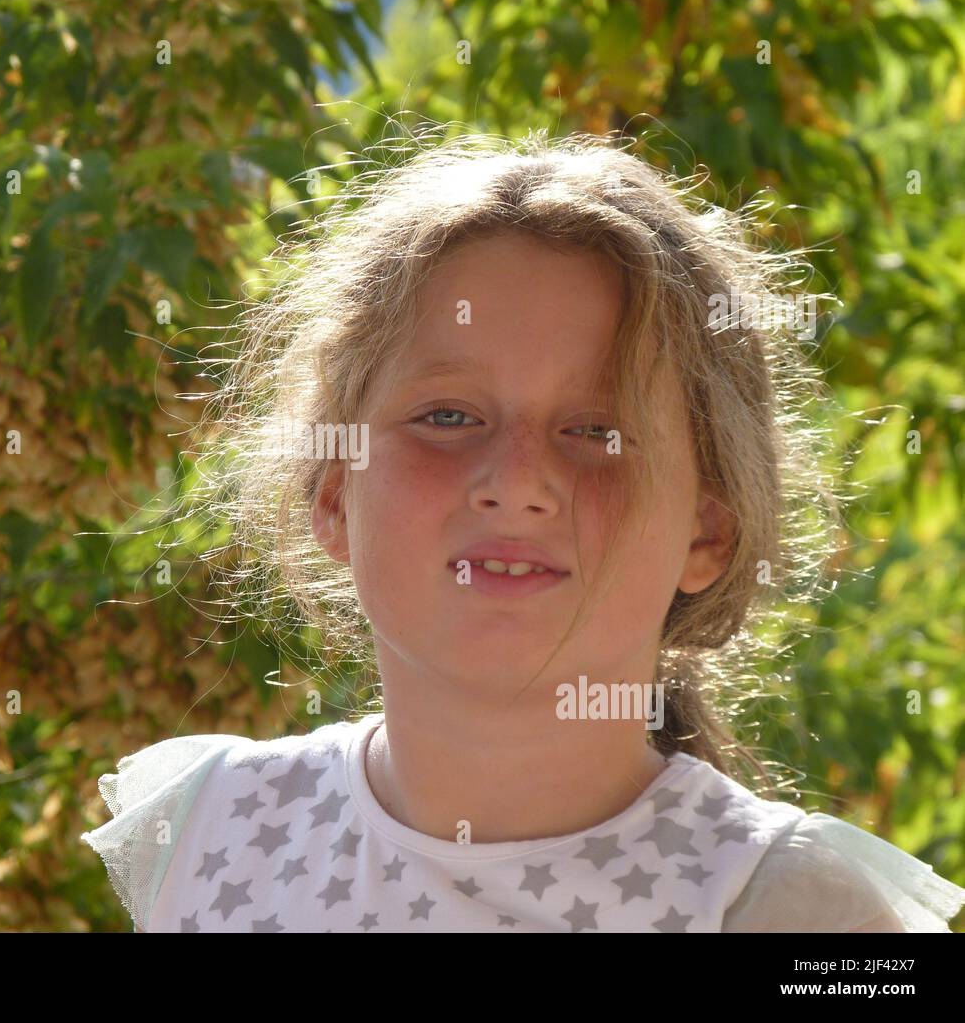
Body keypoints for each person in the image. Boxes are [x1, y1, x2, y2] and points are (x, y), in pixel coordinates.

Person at [82, 129, 965, 933]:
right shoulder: (207, 833)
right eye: (448, 416)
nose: (515, 483)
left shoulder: (802, 913)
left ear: (708, 533)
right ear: (333, 494)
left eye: (596, 433)